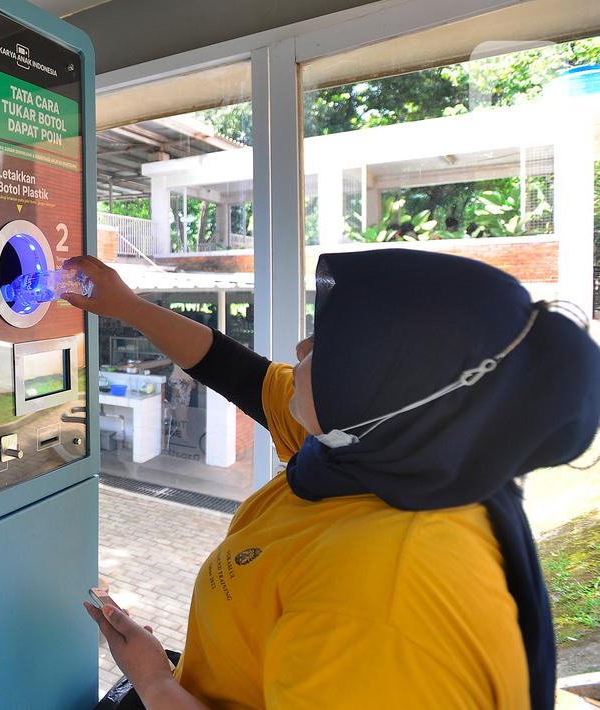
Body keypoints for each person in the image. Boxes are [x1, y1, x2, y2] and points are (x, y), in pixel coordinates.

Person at [65, 249, 600, 709]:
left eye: (332, 345)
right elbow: (237, 371)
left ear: (389, 389)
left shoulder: (383, 594)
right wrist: (126, 306)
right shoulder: (379, 454)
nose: (301, 349)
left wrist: (155, 682)